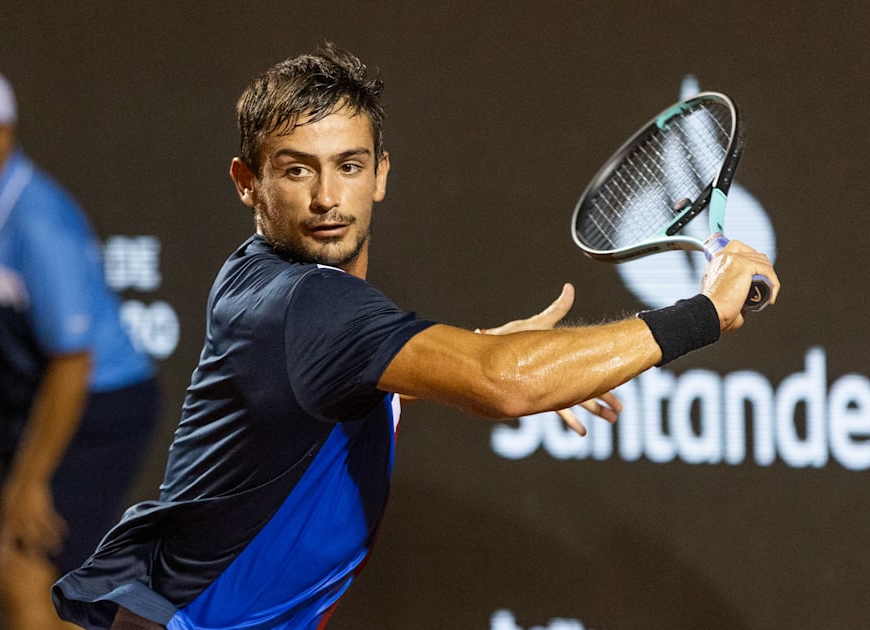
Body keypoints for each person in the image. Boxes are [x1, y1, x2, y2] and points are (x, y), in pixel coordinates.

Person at [51, 44, 780, 630]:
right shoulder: (306, 305)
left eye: (350, 165)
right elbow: (507, 382)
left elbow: (350, 389)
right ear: (247, 182)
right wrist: (703, 313)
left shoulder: (280, 291)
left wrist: (474, 352)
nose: (329, 197)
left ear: (381, 175)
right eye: (296, 170)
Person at [0, 61, 160, 629]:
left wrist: (30, 480)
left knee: (25, 574)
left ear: (1, 134)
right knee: (61, 591)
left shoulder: (42, 223)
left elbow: (72, 364)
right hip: (34, 409)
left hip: (100, 406)